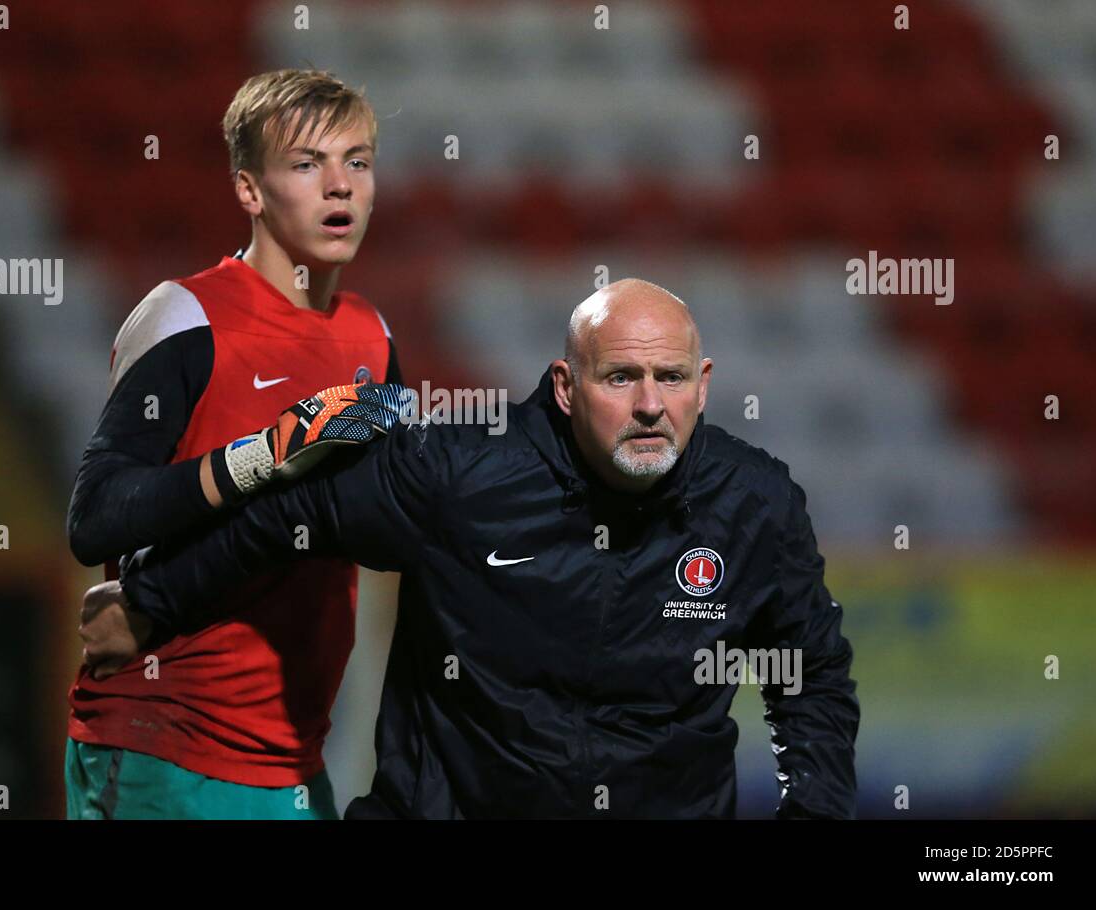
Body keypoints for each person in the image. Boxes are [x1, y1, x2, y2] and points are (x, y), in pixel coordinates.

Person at [83, 279, 861, 819]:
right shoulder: (458, 474)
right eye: (620, 377)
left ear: (705, 383)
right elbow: (295, 509)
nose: (651, 404)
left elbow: (813, 674)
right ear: (565, 385)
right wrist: (153, 605)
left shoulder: (755, 504)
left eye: (672, 376)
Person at [63, 68, 404, 820]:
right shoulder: (188, 316)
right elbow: (96, 517)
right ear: (250, 190)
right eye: (307, 165)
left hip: (293, 760)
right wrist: (264, 455)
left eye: (357, 161)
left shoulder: (370, 336)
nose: (340, 187)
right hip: (165, 745)